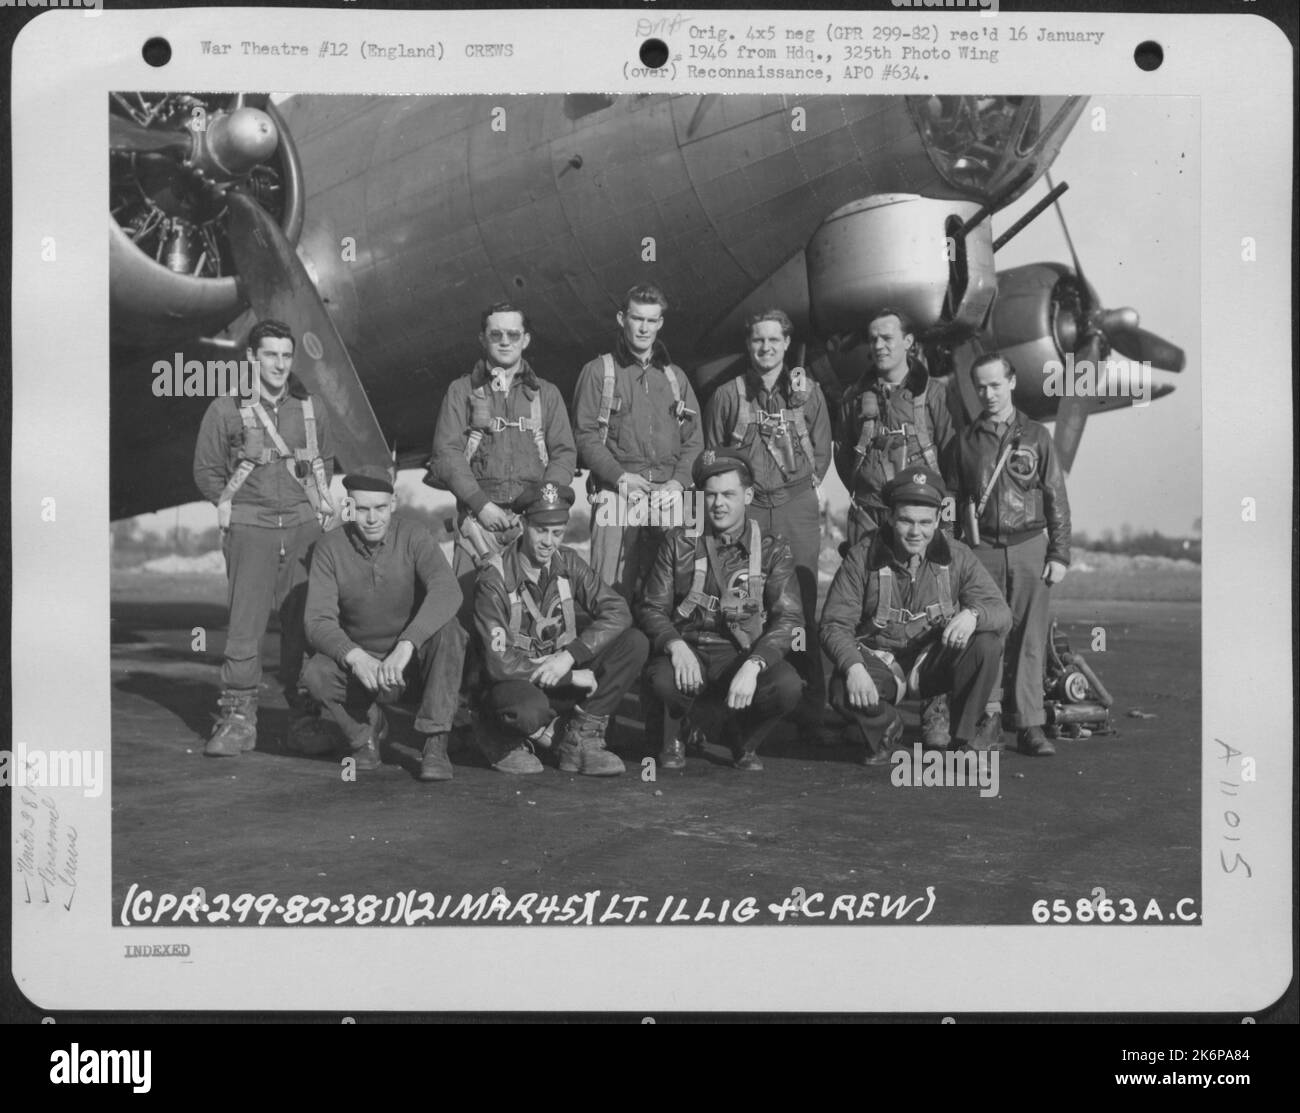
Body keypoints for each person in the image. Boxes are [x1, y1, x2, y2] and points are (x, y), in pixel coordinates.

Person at [192, 318, 336, 756]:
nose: (279, 363)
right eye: (270, 354)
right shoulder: (225, 408)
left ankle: (304, 716)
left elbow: (324, 462)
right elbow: (206, 470)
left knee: (303, 626)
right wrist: (237, 507)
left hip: (302, 527)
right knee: (244, 626)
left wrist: (307, 509)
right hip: (250, 529)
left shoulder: (311, 407)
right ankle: (238, 718)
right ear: (252, 358)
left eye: (286, 355)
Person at [820, 467, 1010, 763]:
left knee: (986, 644)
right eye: (906, 520)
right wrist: (855, 669)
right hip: (881, 661)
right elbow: (833, 625)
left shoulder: (957, 556)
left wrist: (973, 614)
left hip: (931, 662)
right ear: (891, 517)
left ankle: (963, 741)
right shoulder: (862, 557)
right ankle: (886, 727)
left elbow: (1001, 612)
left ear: (937, 521)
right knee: (841, 688)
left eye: (924, 522)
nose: (915, 532)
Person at [833, 306, 956, 748]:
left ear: (909, 342)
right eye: (873, 338)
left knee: (935, 611)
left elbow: (950, 452)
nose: (879, 346)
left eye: (888, 337)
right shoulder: (854, 396)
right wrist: (872, 498)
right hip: (870, 517)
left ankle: (936, 707)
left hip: (923, 518)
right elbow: (846, 459)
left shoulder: (934, 395)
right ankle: (871, 707)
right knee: (870, 614)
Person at [702, 308, 832, 725]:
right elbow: (710, 457)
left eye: (774, 340)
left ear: (786, 344)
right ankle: (738, 700)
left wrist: (804, 488)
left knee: (802, 604)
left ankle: (810, 705)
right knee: (742, 600)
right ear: (748, 344)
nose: (766, 347)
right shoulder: (727, 395)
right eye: (758, 340)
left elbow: (823, 447)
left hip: (796, 505)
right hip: (749, 509)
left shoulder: (808, 393)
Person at [638, 448, 805, 772]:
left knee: (787, 686)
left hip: (740, 653)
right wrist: (675, 646)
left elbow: (789, 618)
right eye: (710, 495)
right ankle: (676, 734)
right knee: (660, 679)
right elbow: (651, 607)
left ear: (748, 495)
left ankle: (743, 737)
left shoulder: (773, 549)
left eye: (728, 494)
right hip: (691, 650)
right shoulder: (679, 543)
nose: (718, 504)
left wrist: (756, 663)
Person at [300, 466, 467, 780]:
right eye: (361, 509)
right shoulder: (330, 548)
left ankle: (435, 741)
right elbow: (316, 620)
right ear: (349, 507)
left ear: (393, 504)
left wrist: (408, 643)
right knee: (315, 673)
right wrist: (354, 656)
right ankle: (365, 733)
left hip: (410, 667)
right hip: (364, 671)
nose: (372, 518)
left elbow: (447, 590)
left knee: (451, 631)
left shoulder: (414, 535)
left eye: (379, 508)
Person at [472, 482, 649, 776]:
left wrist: (570, 656)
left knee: (634, 643)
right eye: (540, 530)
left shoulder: (568, 562)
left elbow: (617, 610)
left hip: (559, 670)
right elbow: (499, 664)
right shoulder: (494, 579)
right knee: (528, 711)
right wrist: (568, 674)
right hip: (515, 682)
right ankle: (498, 737)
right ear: (522, 524)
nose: (548, 542)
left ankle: (578, 739)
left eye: (557, 532)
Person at [949, 353, 1071, 756]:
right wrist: (952, 557)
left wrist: (1060, 553)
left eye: (996, 384)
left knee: (1030, 638)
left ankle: (1031, 725)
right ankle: (988, 722)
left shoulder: (1037, 436)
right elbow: (951, 501)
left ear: (1012, 382)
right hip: (980, 549)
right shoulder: (964, 441)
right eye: (981, 386)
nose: (988, 393)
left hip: (1029, 546)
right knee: (989, 636)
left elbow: (1056, 496)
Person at [427, 302, 577, 581]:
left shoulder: (548, 394)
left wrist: (541, 506)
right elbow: (446, 455)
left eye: (513, 334)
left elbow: (564, 455)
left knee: (533, 615)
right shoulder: (461, 391)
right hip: (477, 522)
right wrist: (481, 505)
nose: (505, 342)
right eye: (496, 335)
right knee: (470, 611)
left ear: (526, 339)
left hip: (532, 524)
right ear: (483, 339)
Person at [572, 283, 702, 598]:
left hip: (670, 492)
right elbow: (584, 434)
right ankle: (612, 648)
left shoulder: (676, 379)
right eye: (637, 318)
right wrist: (619, 477)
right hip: (617, 491)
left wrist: (679, 483)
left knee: (679, 585)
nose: (643, 328)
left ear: (660, 323)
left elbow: (694, 440)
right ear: (622, 319)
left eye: (651, 320)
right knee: (610, 590)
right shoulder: (597, 372)